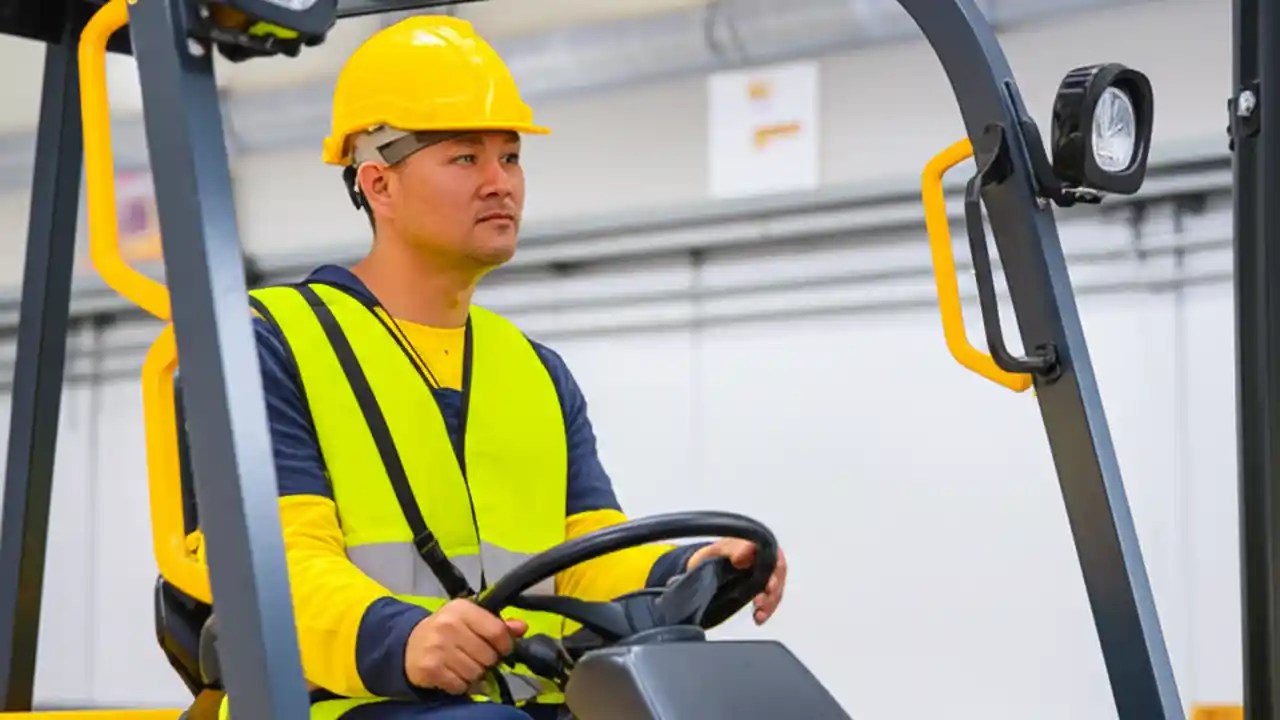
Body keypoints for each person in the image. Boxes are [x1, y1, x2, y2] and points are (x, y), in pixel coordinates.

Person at [209, 14, 788, 720]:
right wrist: (403, 636)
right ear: (378, 185)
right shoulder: (273, 341)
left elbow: (583, 557)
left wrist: (687, 568)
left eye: (510, 158)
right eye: (465, 158)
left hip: (515, 704)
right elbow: (275, 565)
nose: (500, 183)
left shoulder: (535, 372)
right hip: (351, 701)